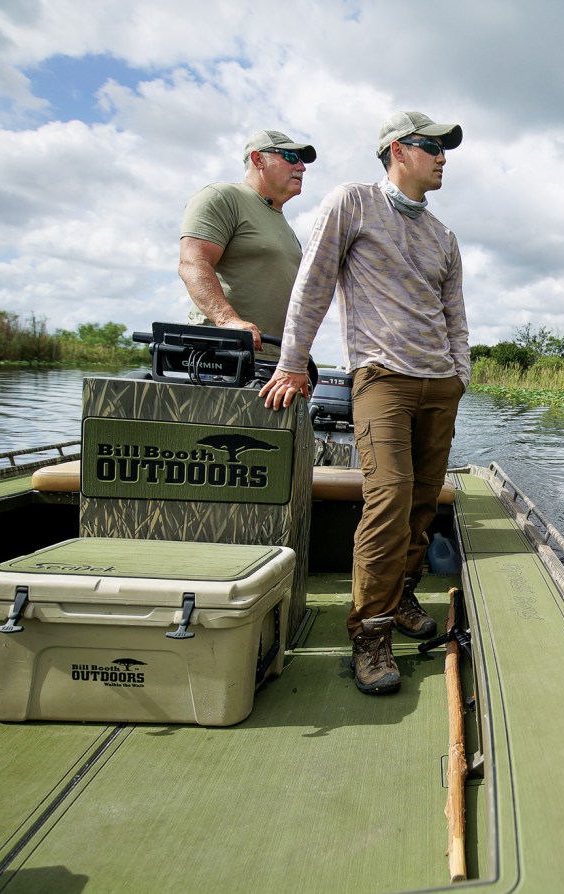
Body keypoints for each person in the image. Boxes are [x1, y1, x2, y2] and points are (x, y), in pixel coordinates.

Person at [260, 111, 468, 696]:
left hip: (439, 384)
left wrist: (460, 373)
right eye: (433, 147)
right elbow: (314, 283)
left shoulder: (443, 236)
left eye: (445, 148)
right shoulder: (352, 202)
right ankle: (370, 632)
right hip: (380, 377)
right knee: (390, 496)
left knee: (423, 502)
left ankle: (401, 595)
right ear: (399, 151)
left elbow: (455, 315)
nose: (443, 156)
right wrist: (292, 363)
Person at [178, 129, 317, 358]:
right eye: (291, 157)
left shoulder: (286, 228)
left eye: (302, 161)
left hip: (276, 366)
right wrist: (228, 321)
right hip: (224, 357)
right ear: (257, 159)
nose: (301, 167)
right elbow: (192, 262)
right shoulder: (222, 197)